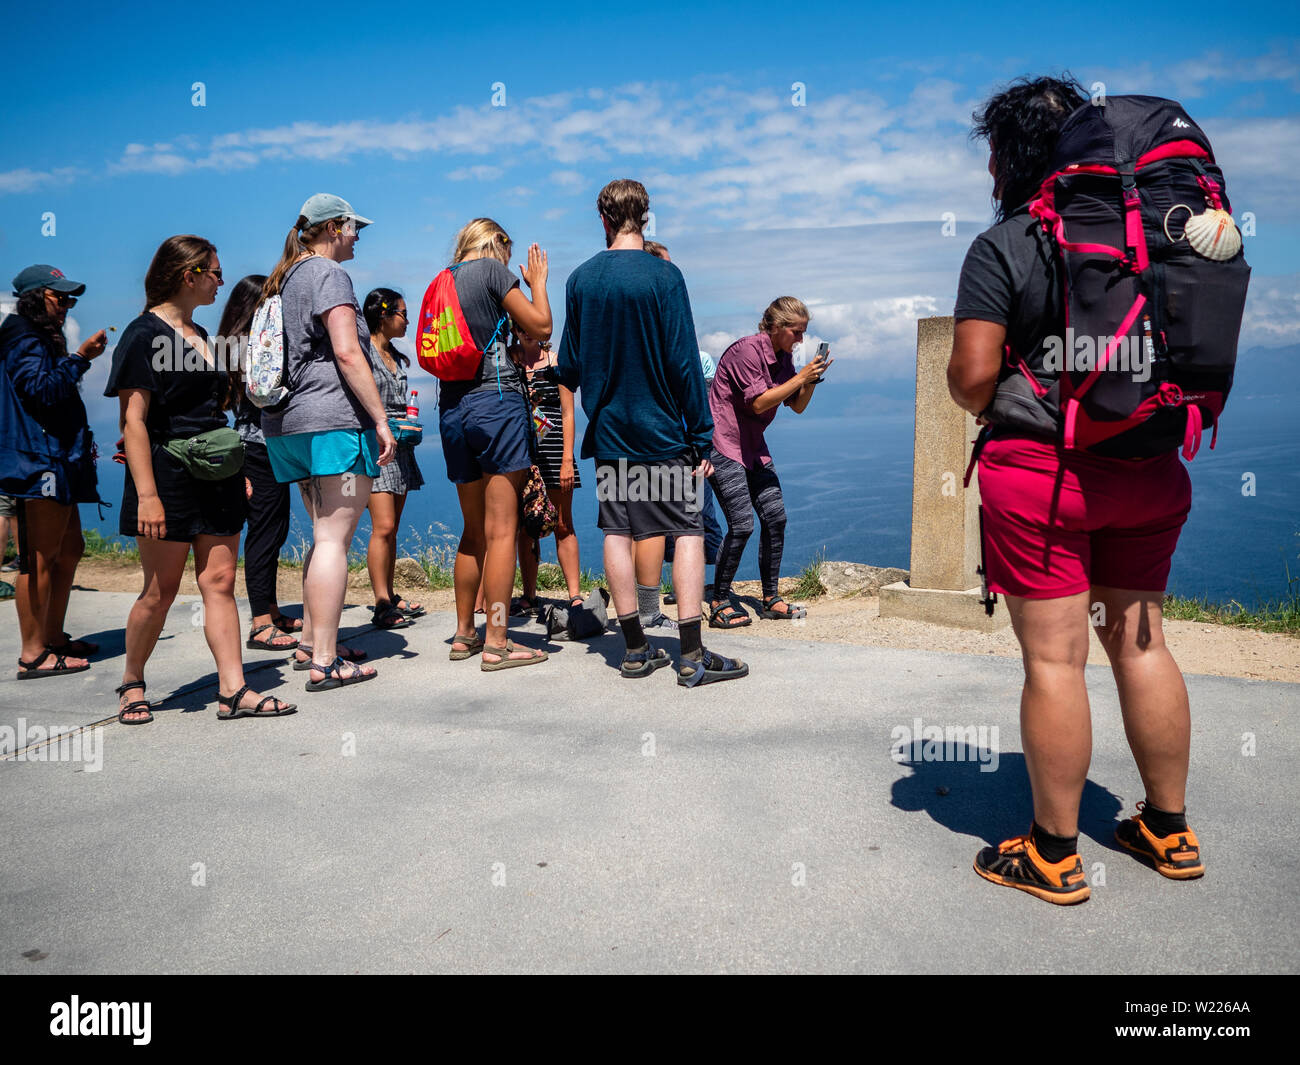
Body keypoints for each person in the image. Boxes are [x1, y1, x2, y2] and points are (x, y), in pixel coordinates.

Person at [950, 76, 1203, 904]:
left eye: (994, 155)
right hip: (1152, 468)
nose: (989, 175)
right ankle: (1169, 832)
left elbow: (971, 380)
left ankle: (1054, 854)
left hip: (1047, 479)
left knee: (1055, 660)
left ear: (1014, 155)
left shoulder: (1006, 244)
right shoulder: (1153, 232)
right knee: (1141, 645)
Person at [555, 178, 746, 687]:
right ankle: (690, 654)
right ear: (646, 217)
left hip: (611, 434)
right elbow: (684, 361)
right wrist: (701, 434)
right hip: (665, 434)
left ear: (603, 220)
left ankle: (635, 650)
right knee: (685, 532)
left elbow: (569, 365)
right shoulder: (665, 277)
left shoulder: (581, 281)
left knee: (617, 531)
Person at [104, 236, 295, 722]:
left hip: (218, 474)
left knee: (220, 581)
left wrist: (235, 474)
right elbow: (134, 422)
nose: (221, 280)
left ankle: (233, 691)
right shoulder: (142, 335)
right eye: (214, 271)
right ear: (188, 275)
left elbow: (213, 415)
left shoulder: (205, 337)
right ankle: (132, 680)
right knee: (160, 590)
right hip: (166, 477)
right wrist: (147, 495)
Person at [261, 194, 396, 692]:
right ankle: (323, 661)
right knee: (333, 541)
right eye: (354, 227)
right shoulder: (329, 275)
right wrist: (381, 420)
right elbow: (345, 350)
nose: (358, 235)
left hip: (287, 425)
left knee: (321, 537)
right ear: (333, 228)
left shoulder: (287, 276)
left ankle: (312, 643)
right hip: (332, 422)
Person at [438, 218, 553, 670]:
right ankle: (498, 641)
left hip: (451, 410)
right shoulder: (490, 272)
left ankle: (465, 634)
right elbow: (541, 327)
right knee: (503, 531)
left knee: (473, 531)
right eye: (508, 247)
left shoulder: (443, 279)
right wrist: (538, 283)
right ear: (496, 244)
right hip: (495, 404)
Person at [1, 265, 107, 677]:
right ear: (33, 299)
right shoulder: (23, 337)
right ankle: (33, 653)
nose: (66, 306)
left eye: (70, 300)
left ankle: (53, 635)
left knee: (69, 548)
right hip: (37, 458)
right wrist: (81, 358)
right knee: (39, 557)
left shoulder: (38, 336)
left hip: (58, 456)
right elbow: (41, 390)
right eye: (58, 298)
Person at [706, 297, 830, 628]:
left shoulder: (785, 358)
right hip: (723, 443)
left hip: (753, 446)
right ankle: (719, 600)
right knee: (742, 524)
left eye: (804, 333)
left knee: (776, 518)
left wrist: (810, 380)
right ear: (776, 327)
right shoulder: (746, 351)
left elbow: (797, 405)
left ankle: (770, 599)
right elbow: (760, 403)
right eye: (796, 332)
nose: (801, 340)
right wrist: (801, 375)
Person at [221, 274, 302, 653]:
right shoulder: (249, 350)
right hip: (257, 448)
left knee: (275, 528)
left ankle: (269, 608)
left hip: (264, 447)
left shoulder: (235, 347)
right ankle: (259, 623)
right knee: (265, 532)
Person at [362, 287, 424, 629]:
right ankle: (381, 602)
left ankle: (389, 593)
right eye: (402, 313)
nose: (407, 320)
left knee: (392, 529)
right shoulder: (363, 353)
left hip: (401, 446)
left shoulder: (400, 359)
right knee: (382, 527)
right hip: (377, 448)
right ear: (384, 315)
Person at [510, 328, 582, 615]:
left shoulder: (556, 363)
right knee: (525, 527)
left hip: (554, 453)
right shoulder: (510, 362)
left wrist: (567, 459)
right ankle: (529, 594)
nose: (527, 332)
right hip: (520, 454)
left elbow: (568, 413)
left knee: (563, 524)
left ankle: (575, 595)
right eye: (521, 326)